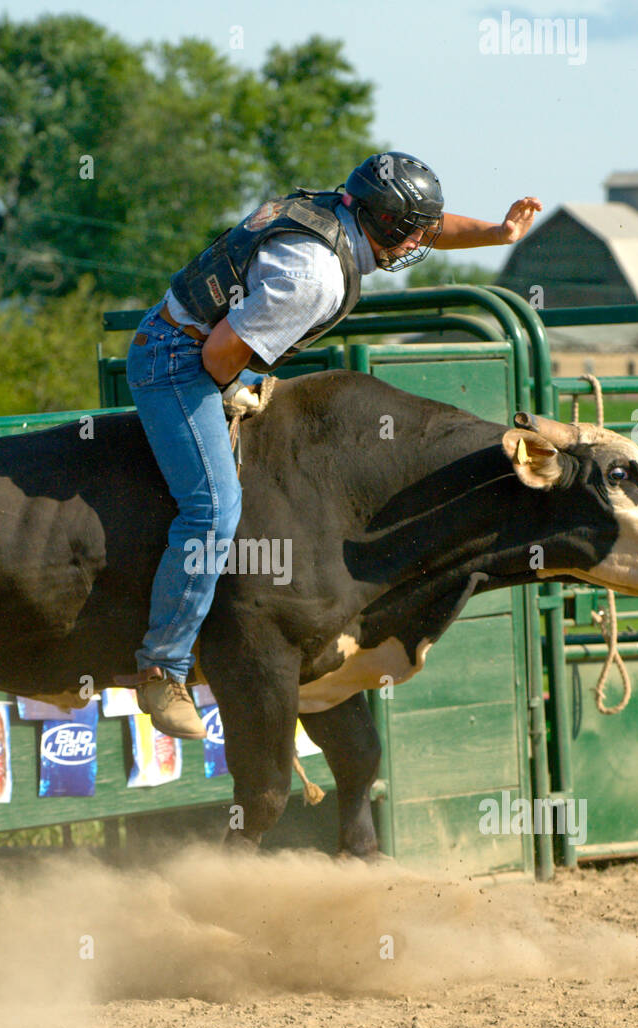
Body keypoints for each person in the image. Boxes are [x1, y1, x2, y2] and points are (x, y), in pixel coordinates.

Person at [122, 151, 542, 738]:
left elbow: (427, 225)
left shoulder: (341, 207)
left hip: (198, 343)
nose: (424, 237)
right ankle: (162, 671)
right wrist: (231, 392)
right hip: (180, 361)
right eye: (415, 230)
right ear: (389, 227)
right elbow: (218, 356)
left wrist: (496, 234)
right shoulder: (310, 278)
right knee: (213, 510)